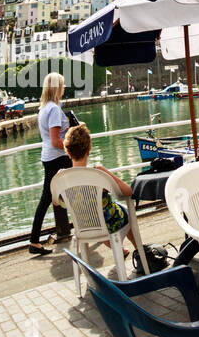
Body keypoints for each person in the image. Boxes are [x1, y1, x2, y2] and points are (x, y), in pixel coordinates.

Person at [62, 125, 139, 253]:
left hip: (83, 225)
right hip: (107, 224)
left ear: (68, 152)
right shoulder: (98, 173)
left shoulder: (62, 177)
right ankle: (140, 251)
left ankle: (120, 250)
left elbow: (55, 201)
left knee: (95, 215)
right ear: (89, 150)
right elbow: (128, 191)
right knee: (123, 211)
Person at [28, 72, 72, 255]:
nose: (64, 88)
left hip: (49, 157)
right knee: (76, 190)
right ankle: (93, 226)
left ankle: (34, 241)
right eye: (62, 85)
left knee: (48, 198)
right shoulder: (53, 109)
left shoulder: (45, 108)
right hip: (58, 157)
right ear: (57, 88)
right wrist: (73, 144)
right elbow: (55, 140)